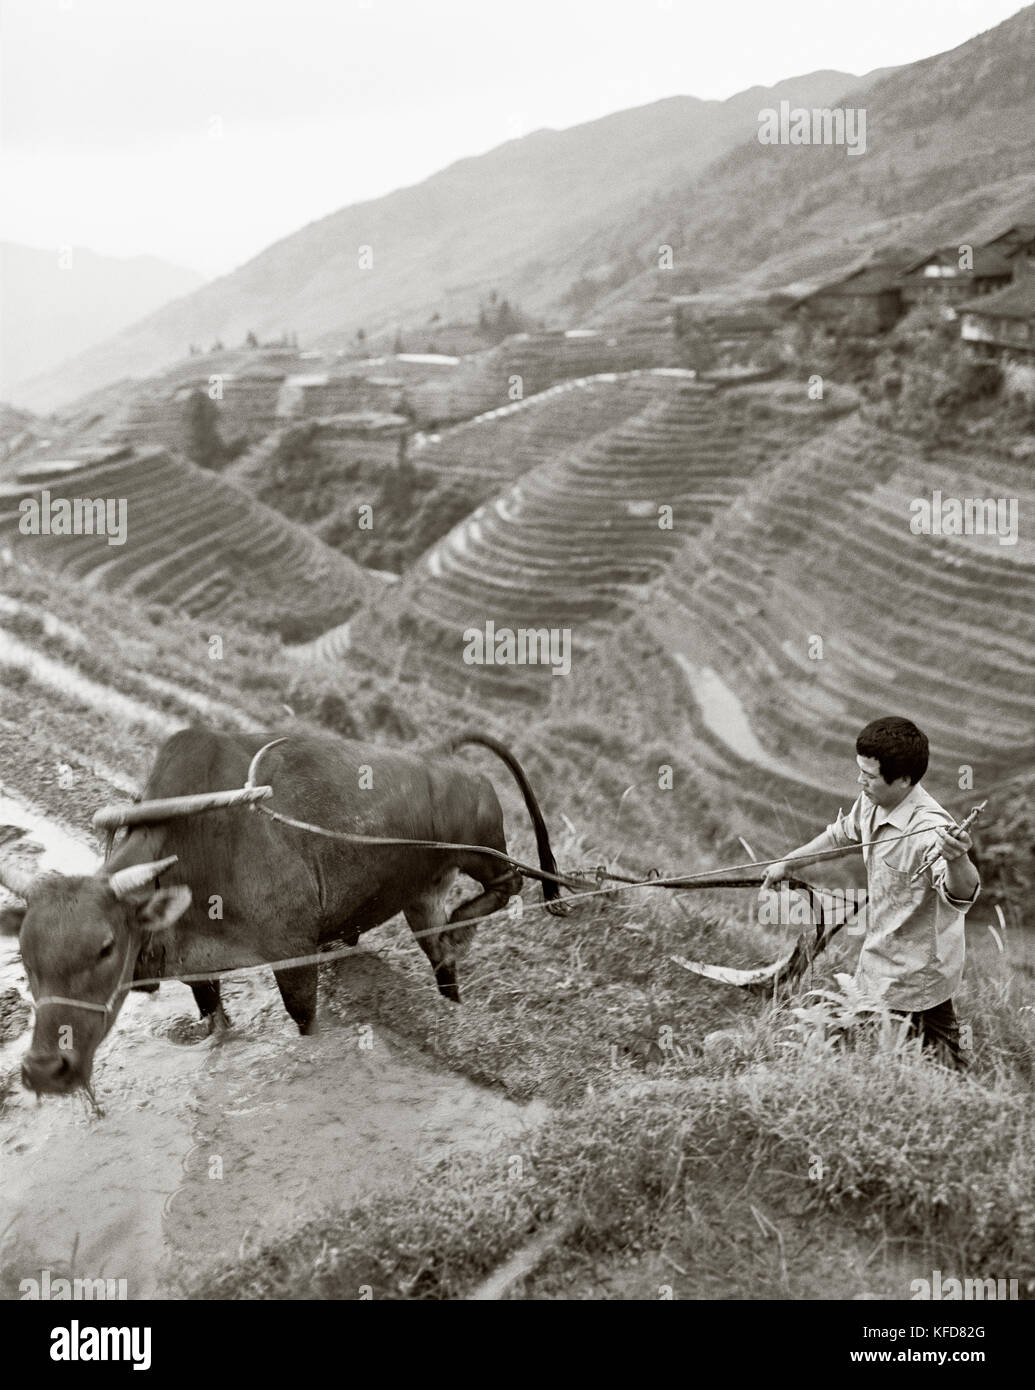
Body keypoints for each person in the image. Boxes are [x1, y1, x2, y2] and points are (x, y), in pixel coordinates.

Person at [761, 716, 980, 1067]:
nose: (860, 781)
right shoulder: (872, 801)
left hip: (916, 977)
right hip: (877, 961)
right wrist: (790, 862)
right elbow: (841, 834)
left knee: (939, 1063)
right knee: (879, 1053)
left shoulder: (929, 831)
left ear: (904, 779)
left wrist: (958, 859)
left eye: (870, 775)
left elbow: (961, 894)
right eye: (860, 770)